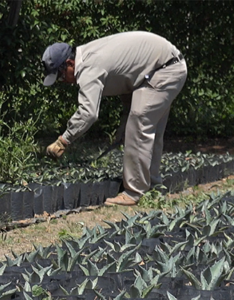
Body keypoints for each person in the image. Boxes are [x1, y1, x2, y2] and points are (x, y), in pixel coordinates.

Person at [41, 32, 187, 206]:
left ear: (69, 63)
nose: (63, 81)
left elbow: (88, 113)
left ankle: (135, 192)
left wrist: (63, 140)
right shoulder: (89, 54)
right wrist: (124, 126)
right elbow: (129, 83)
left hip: (164, 69)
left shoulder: (88, 68)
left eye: (61, 76)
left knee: (139, 124)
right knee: (147, 131)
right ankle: (153, 186)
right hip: (164, 67)